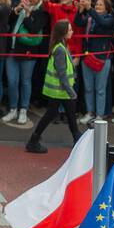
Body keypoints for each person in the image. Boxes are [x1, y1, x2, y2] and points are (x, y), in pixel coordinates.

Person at [26, 20, 80, 154]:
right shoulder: (60, 49)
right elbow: (62, 74)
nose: (72, 31)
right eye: (70, 29)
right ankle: (33, 140)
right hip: (60, 89)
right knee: (55, 114)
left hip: (59, 89)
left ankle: (76, 138)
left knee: (68, 114)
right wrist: (71, 91)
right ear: (64, 32)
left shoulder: (60, 45)